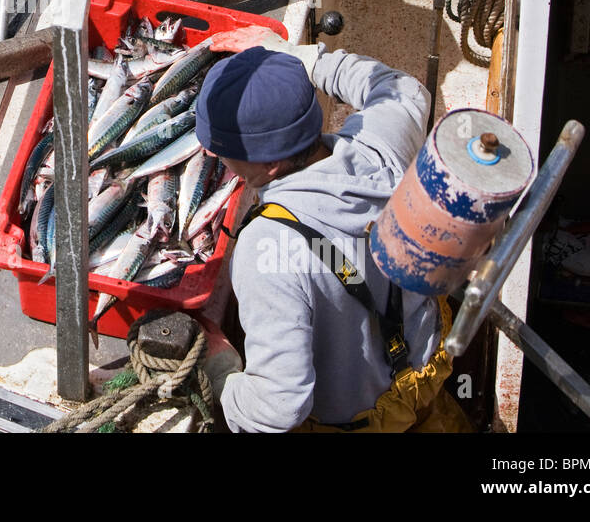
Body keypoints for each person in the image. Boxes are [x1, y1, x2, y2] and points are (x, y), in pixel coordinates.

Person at [195, 25, 471, 433]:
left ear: (270, 167)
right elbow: (402, 88)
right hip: (426, 392)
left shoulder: (266, 248)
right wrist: (301, 57)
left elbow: (278, 409)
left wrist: (221, 372)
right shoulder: (381, 148)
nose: (211, 153)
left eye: (222, 150)